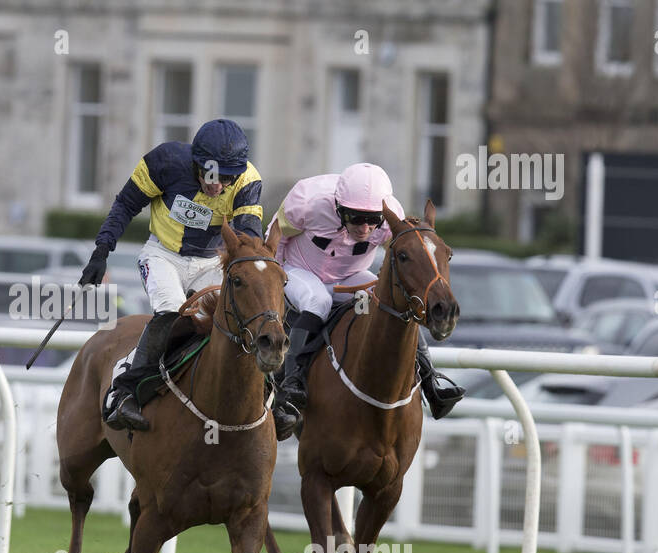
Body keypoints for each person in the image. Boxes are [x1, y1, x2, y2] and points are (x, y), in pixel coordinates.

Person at [80, 119, 265, 431]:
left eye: (227, 178)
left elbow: (247, 239)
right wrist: (102, 251)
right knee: (171, 312)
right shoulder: (164, 162)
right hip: (163, 255)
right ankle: (124, 391)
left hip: (210, 263)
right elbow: (125, 204)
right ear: (196, 164)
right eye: (211, 175)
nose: (217, 186)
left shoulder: (248, 181)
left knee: (232, 319)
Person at [266, 162, 464, 438]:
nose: (365, 227)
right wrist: (274, 280)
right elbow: (274, 238)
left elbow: (408, 251)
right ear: (338, 207)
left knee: (393, 299)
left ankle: (430, 379)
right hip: (299, 270)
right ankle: (292, 385)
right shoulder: (307, 201)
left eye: (372, 220)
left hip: (349, 275)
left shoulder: (390, 215)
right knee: (318, 302)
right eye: (355, 218)